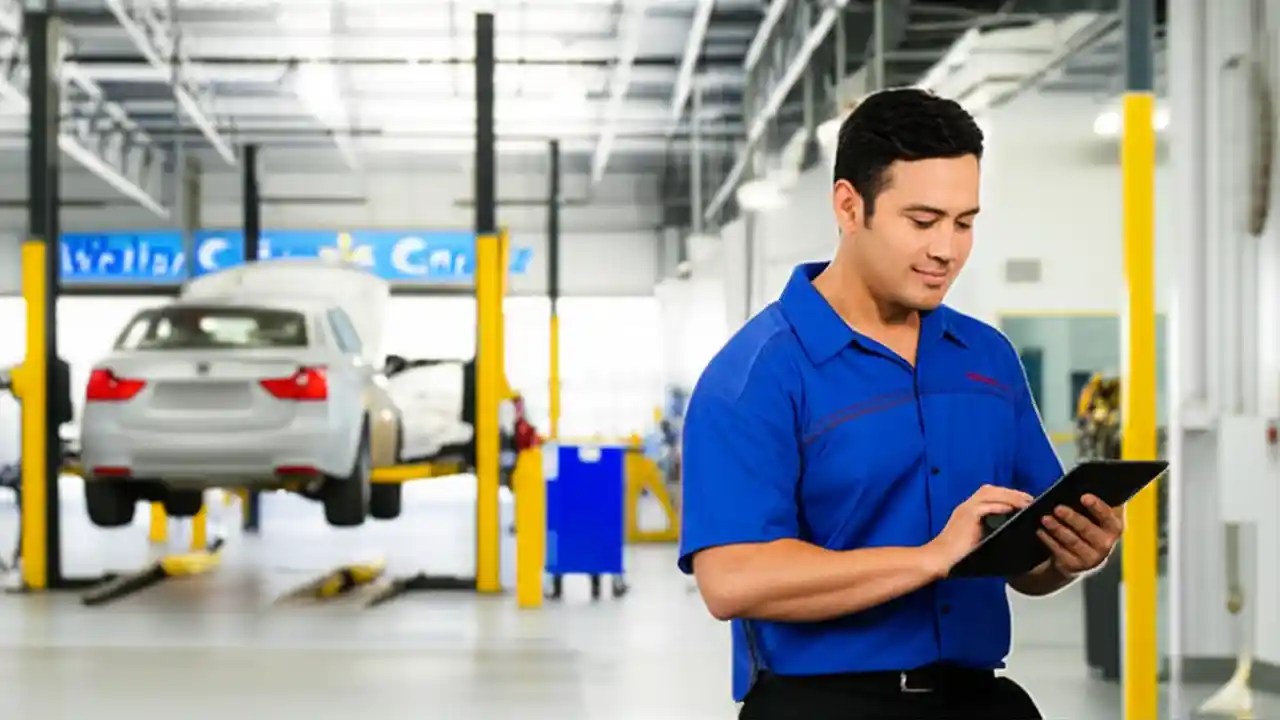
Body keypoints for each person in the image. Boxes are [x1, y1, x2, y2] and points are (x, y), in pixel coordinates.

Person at [677, 88, 1126, 720]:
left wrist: (1069, 555)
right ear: (848, 206)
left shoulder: (988, 359)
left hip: (977, 698)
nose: (947, 249)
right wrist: (929, 559)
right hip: (822, 706)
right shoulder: (758, 375)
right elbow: (733, 580)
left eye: (964, 222)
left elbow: (1024, 561)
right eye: (922, 221)